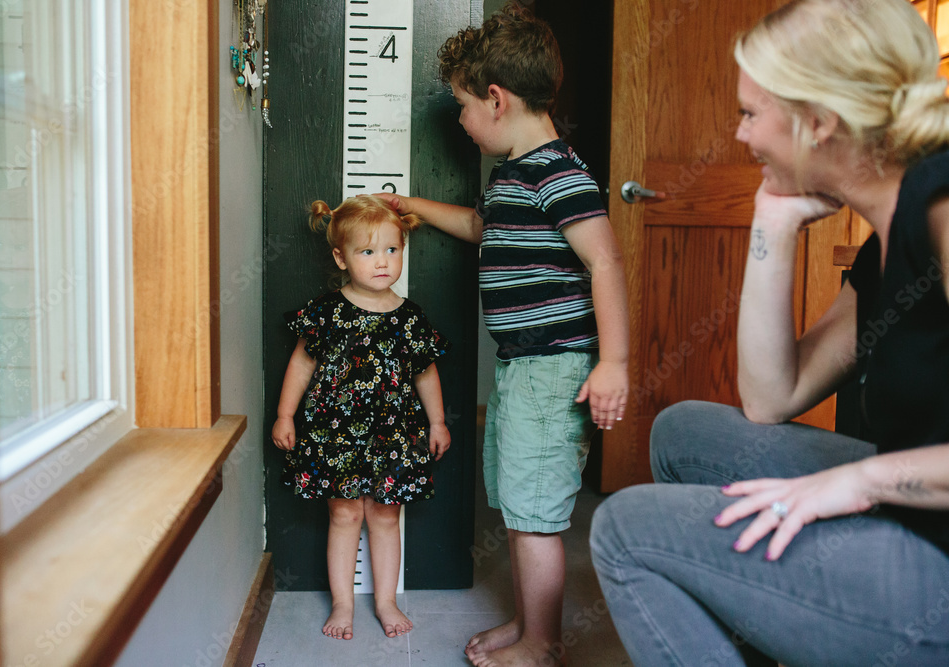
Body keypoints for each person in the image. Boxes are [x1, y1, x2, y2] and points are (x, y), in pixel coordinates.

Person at [590, 0, 949, 664]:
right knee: (683, 432)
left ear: (819, 122)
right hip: (918, 510)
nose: (740, 136)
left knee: (623, 531)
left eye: (751, 113)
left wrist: (860, 482)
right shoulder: (885, 242)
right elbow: (769, 398)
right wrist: (772, 224)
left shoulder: (943, 202)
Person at [377, 4, 631, 665]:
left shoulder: (560, 174)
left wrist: (614, 363)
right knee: (520, 503)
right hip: (523, 367)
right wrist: (413, 209)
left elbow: (605, 259)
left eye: (463, 106)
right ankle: (526, 624)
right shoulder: (516, 176)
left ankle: (542, 644)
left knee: (536, 509)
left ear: (497, 99)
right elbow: (480, 227)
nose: (460, 120)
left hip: (554, 367)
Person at [271, 195, 451, 641]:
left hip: (396, 435)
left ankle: (386, 600)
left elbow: (426, 373)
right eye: (367, 252)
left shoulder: (410, 317)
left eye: (392, 250)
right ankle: (342, 602)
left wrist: (438, 422)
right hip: (335, 436)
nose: (382, 262)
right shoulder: (327, 312)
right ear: (341, 256)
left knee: (386, 516)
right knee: (346, 515)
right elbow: (301, 365)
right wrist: (284, 414)